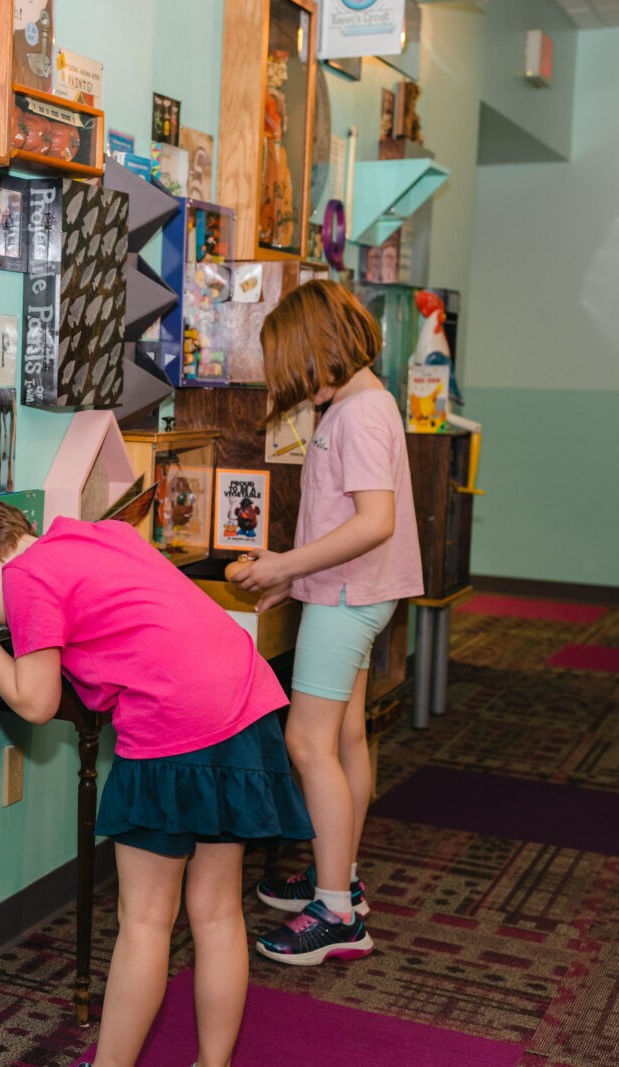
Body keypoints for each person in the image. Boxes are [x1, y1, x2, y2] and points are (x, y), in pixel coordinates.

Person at [0, 498, 311, 1067]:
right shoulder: (99, 534)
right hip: (244, 701)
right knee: (218, 909)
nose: (6, 624)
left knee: (146, 919)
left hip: (175, 724)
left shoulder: (23, 577)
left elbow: (35, 700)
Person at [231, 279, 423, 965]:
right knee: (344, 738)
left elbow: (375, 521)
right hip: (348, 590)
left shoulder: (359, 413)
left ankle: (336, 912)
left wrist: (288, 569)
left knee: (307, 743)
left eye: (292, 367)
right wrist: (297, 573)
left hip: (349, 598)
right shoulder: (359, 401)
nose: (291, 383)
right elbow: (341, 521)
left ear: (320, 352)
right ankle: (337, 876)